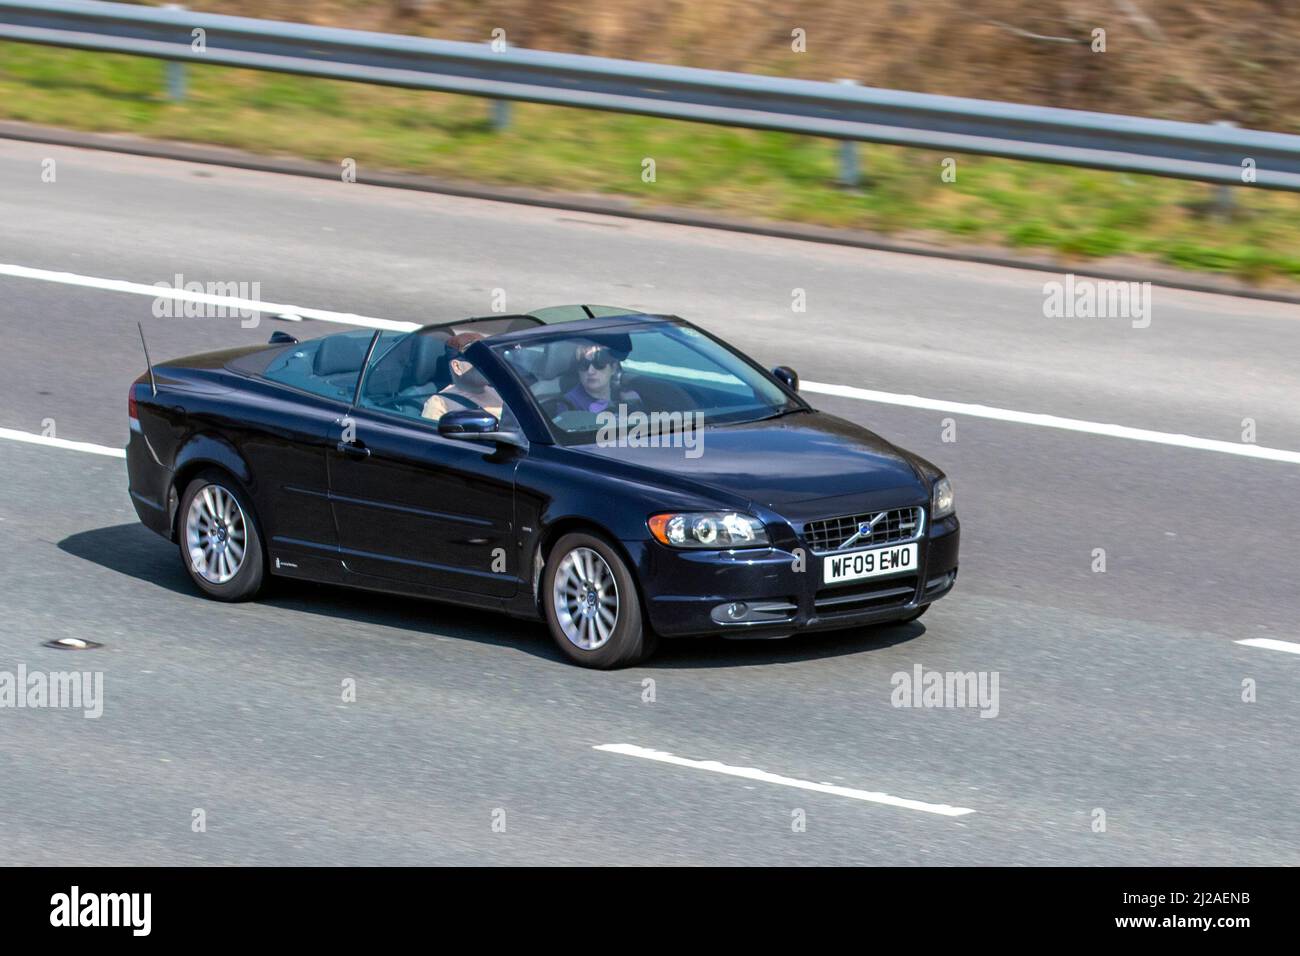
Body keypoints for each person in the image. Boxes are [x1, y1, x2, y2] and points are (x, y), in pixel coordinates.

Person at [421, 331, 505, 422]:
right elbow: (430, 435)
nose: (487, 364)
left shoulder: (499, 393)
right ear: (457, 367)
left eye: (489, 358)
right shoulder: (440, 403)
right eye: (479, 359)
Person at [555, 342, 641, 415]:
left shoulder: (628, 397)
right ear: (578, 370)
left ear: (613, 369)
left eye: (599, 364)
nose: (590, 371)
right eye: (584, 364)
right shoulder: (569, 405)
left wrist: (633, 405)